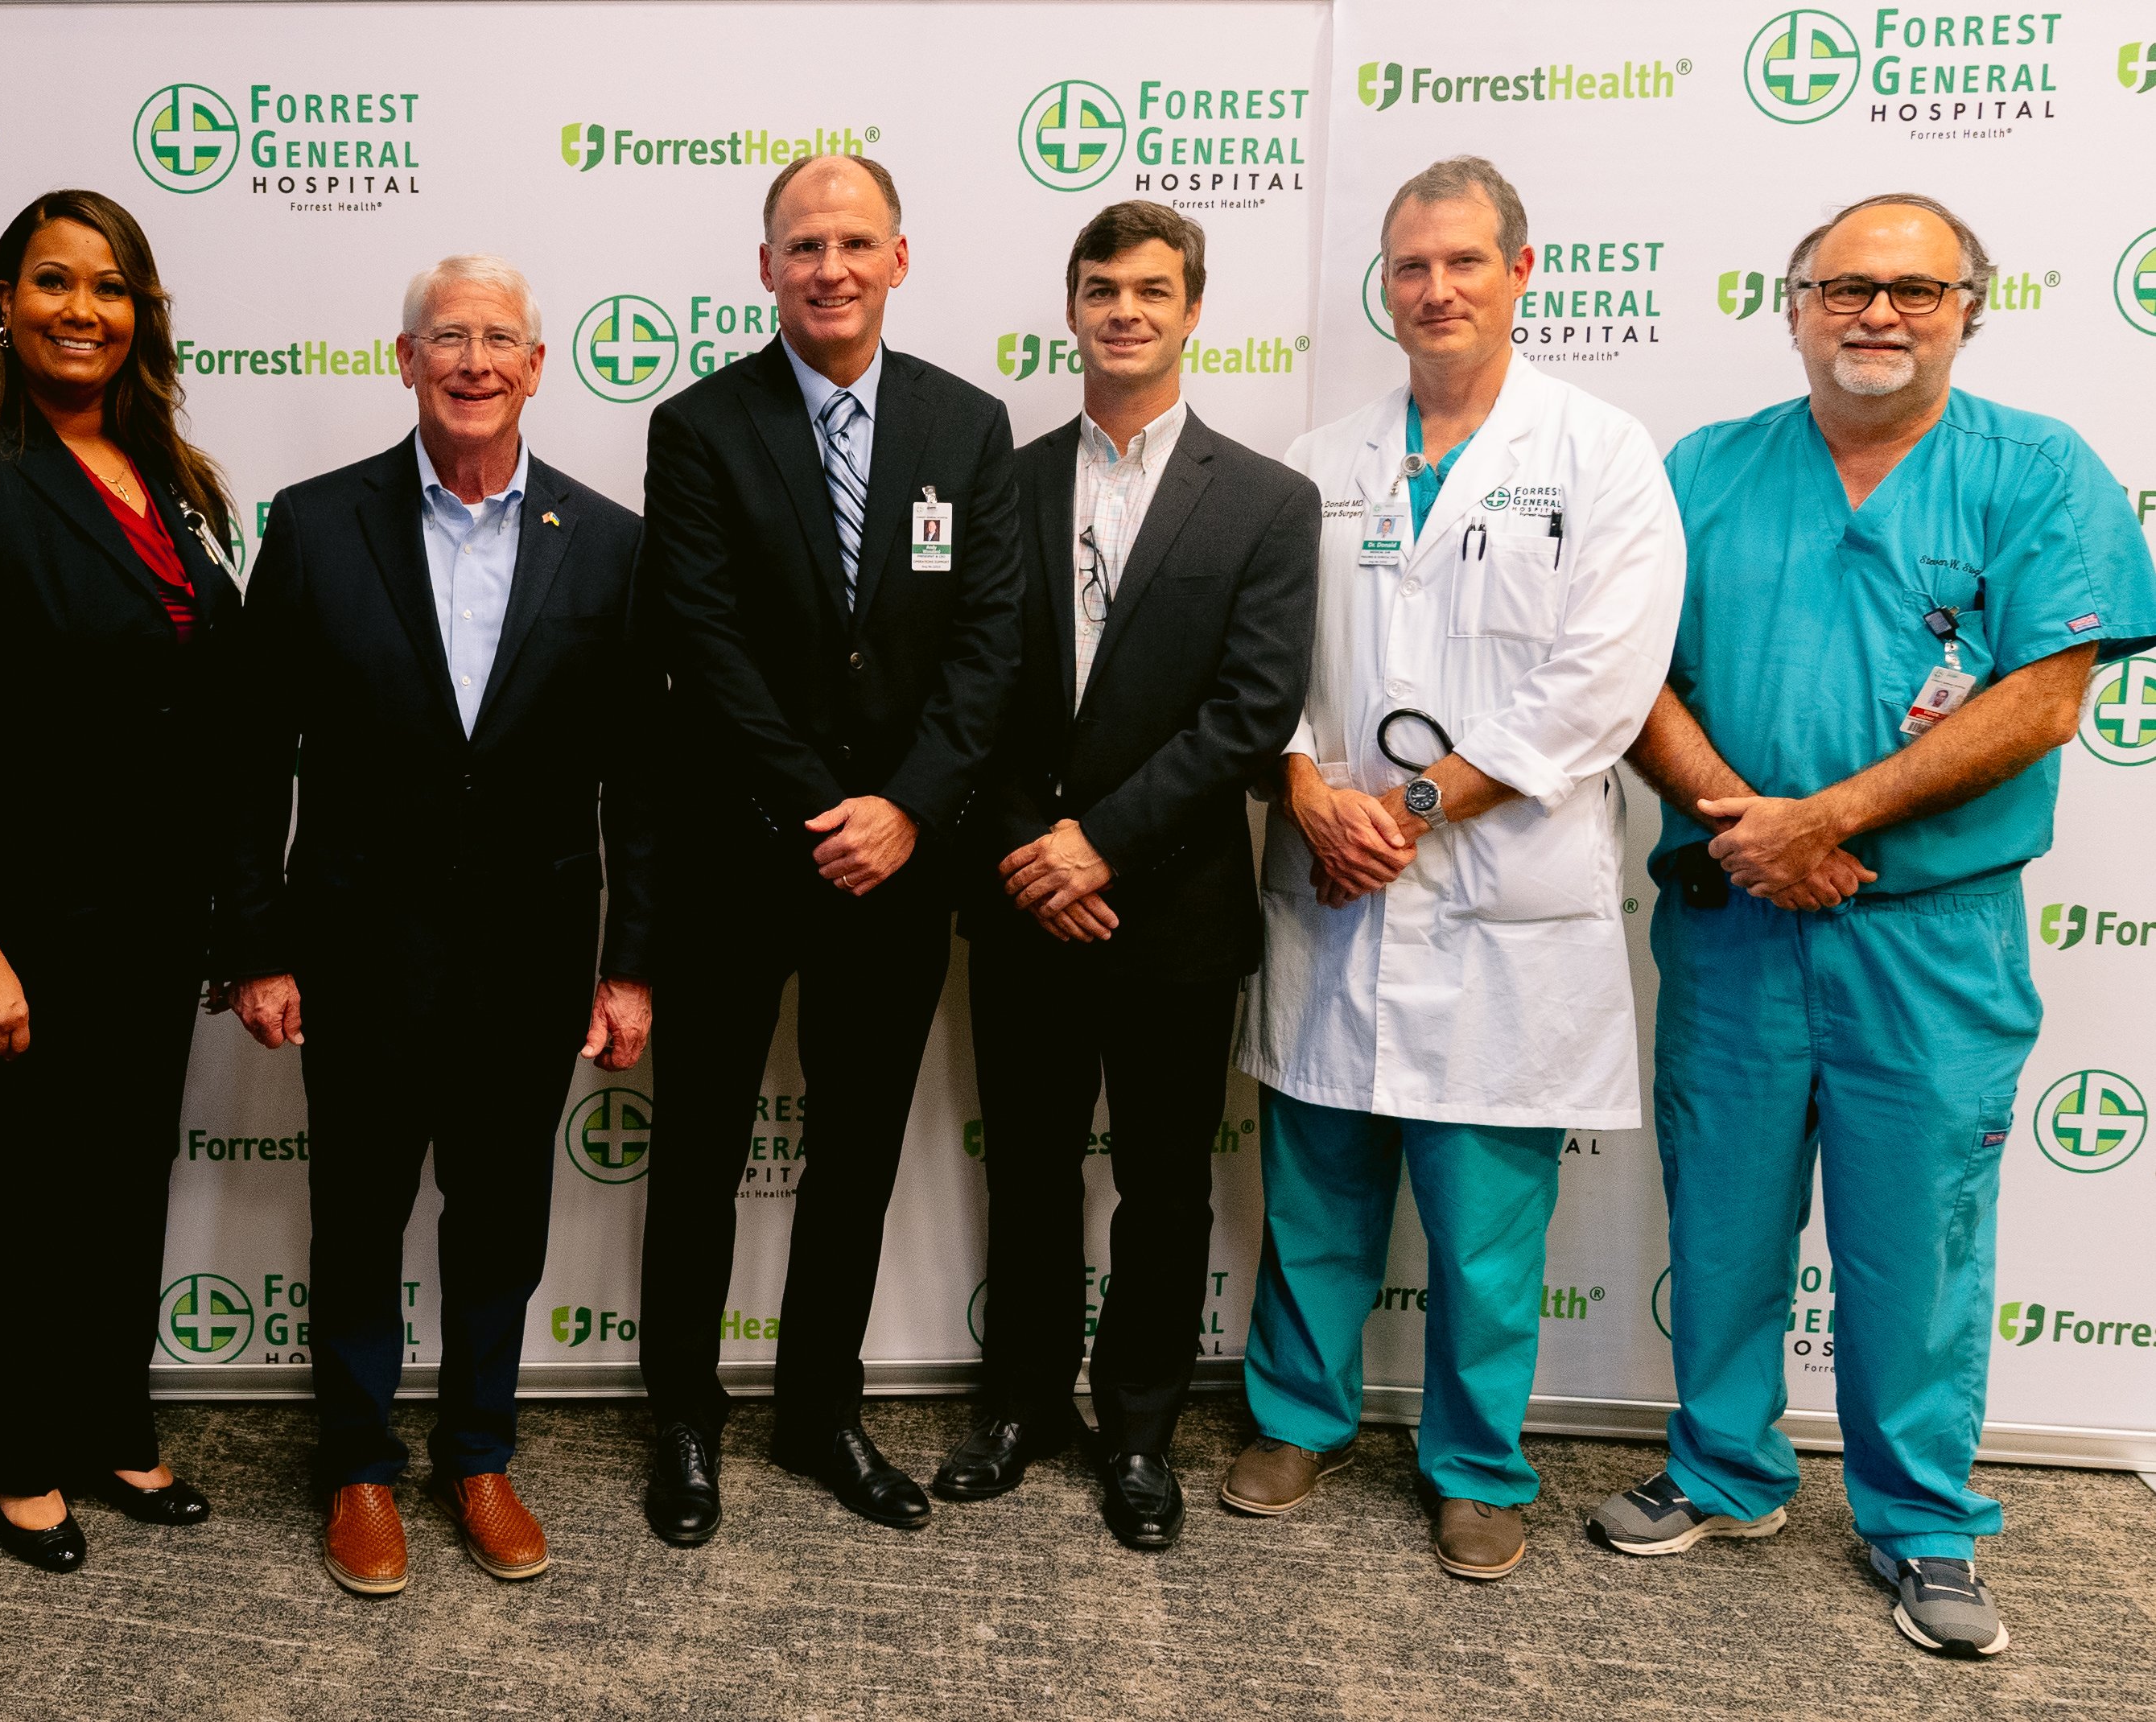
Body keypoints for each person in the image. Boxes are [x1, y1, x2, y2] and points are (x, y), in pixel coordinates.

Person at [1595, 193, 2156, 1659]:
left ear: (1973, 304)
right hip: (1734, 915)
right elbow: (1625, 670)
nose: (1877, 315)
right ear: (1792, 304)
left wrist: (1824, 824)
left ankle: (1922, 1523)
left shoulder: (2036, 472)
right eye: (1845, 286)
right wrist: (1753, 825)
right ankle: (1724, 1470)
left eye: (1916, 290)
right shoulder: (1707, 471)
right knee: (1720, 1217)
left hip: (1929, 934)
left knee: (1918, 1240)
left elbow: (2046, 697)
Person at [1229, 157, 1684, 1581]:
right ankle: (1297, 1419)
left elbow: (1600, 684)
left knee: (1489, 1227)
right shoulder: (1318, 464)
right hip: (1335, 883)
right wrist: (1307, 786)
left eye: (1463, 264)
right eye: (1411, 267)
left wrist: (1414, 804)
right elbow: (1264, 667)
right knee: (1315, 1195)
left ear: (1521, 272)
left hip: (1502, 901)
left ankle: (1478, 1466)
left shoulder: (1601, 455)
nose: (1434, 290)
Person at [221, 255, 654, 1596]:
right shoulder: (314, 522)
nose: (473, 360)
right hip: (357, 946)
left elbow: (639, 773)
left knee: (501, 1215)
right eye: (445, 337)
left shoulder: (612, 540)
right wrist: (259, 940)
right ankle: (356, 1465)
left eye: (499, 340)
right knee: (355, 1214)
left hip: (529, 956)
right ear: (403, 360)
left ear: (536, 367)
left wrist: (631, 962)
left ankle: (477, 1454)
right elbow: (252, 751)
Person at [638, 154, 1024, 1542]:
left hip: (902, 866)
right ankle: (683, 1417)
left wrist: (908, 809)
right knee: (698, 1149)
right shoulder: (696, 427)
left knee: (856, 1149)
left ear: (900, 259)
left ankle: (819, 1410)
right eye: (803, 245)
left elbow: (990, 647)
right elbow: (706, 647)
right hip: (743, 855)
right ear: (766, 268)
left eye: (855, 242)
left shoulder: (966, 427)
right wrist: (826, 810)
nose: (830, 268)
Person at [0, 188, 238, 1575]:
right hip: (23, 923)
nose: (82, 309)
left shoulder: (176, 476)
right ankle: (16, 1453)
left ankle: (111, 1420)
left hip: (154, 917)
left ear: (142, 313)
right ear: (3, 307)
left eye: (110, 286)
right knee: (24, 1190)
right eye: (53, 283)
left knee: (123, 1180)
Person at [950, 202, 1317, 1550]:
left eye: (1154, 290)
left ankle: (1142, 1429)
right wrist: (1031, 849)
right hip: (1020, 893)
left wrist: (1098, 844)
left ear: (1193, 310)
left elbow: (1251, 711)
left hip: (1171, 905)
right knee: (1031, 1172)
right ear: (1072, 307)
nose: (1126, 311)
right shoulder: (1007, 480)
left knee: (1164, 1184)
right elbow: (968, 696)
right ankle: (1022, 1408)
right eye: (1103, 287)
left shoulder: (1269, 500)